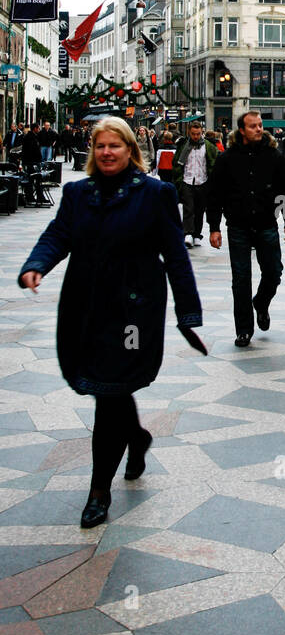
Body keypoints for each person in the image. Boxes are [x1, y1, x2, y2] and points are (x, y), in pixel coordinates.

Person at [17, 117, 203, 529]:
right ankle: (137, 438)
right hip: (87, 306)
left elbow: (175, 254)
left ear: (130, 149)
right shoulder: (76, 193)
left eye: (114, 146)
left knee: (111, 393)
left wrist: (188, 314)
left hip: (134, 313)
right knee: (111, 388)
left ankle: (99, 490)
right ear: (92, 150)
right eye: (99, 145)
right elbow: (57, 234)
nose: (106, 152)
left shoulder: (156, 194)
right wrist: (37, 266)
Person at [207, 111, 285, 347]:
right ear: (242, 130)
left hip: (266, 223)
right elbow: (215, 194)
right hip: (238, 225)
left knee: (273, 271)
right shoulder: (227, 158)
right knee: (241, 278)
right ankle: (244, 329)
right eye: (253, 126)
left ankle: (261, 302)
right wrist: (214, 227)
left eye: (260, 125)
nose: (259, 129)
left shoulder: (274, 155)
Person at [173, 122, 218, 248]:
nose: (196, 136)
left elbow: (212, 164)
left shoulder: (208, 146)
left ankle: (197, 234)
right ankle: (188, 233)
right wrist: (179, 180)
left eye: (198, 134)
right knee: (188, 208)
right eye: (193, 134)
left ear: (202, 132)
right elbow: (177, 163)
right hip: (187, 180)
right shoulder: (183, 146)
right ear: (189, 133)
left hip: (202, 181)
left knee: (200, 210)